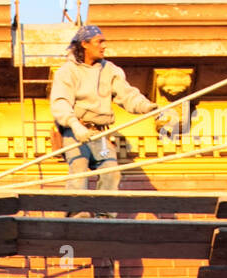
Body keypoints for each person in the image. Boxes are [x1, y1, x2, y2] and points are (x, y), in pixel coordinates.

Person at [50, 24, 169, 196]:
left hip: (100, 136)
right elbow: (60, 102)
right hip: (76, 134)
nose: (104, 46)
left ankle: (104, 217)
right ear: (85, 44)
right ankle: (77, 218)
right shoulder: (67, 72)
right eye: (99, 42)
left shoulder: (110, 70)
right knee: (79, 170)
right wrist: (75, 125)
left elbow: (128, 95)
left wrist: (149, 107)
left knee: (111, 170)